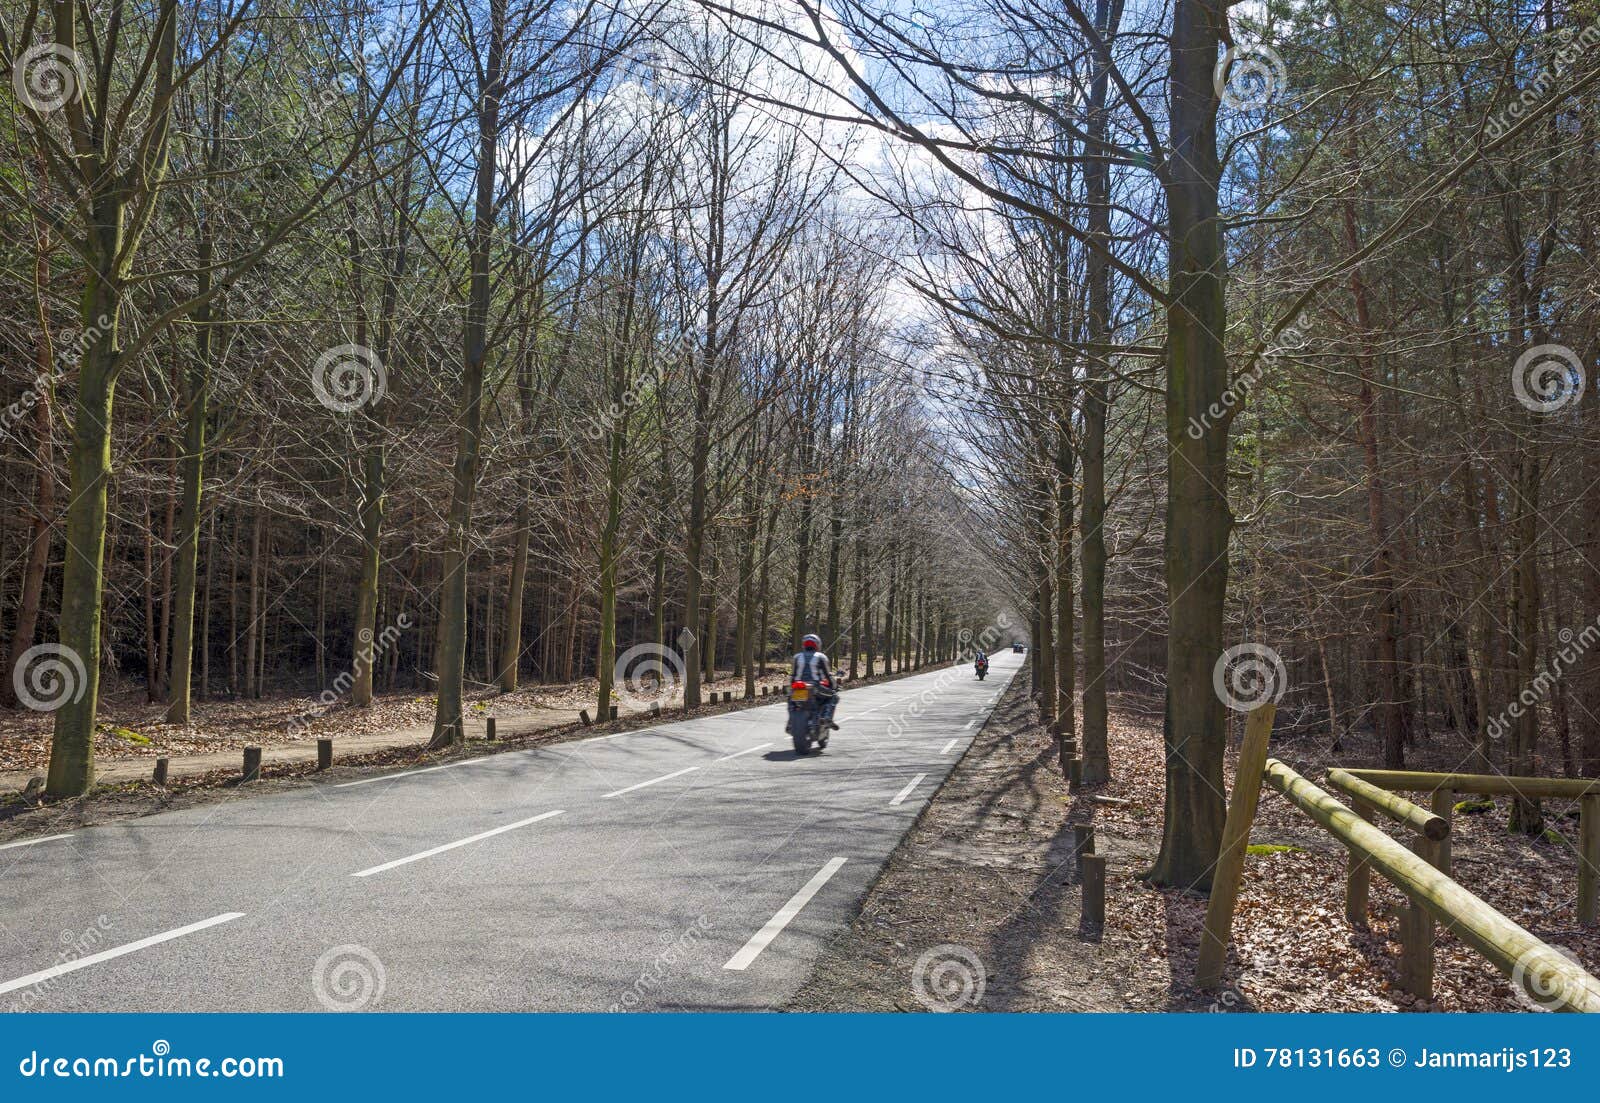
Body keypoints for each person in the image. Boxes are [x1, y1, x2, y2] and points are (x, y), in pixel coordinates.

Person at [792, 633, 840, 730]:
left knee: (791, 701)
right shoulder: (821, 657)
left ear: (804, 645)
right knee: (833, 696)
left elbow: (793, 675)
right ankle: (826, 718)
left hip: (797, 687)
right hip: (815, 687)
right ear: (817, 645)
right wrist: (833, 686)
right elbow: (827, 675)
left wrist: (791, 686)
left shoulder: (797, 657)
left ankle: (790, 723)